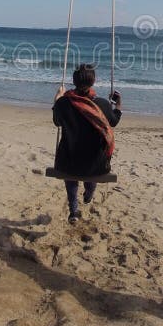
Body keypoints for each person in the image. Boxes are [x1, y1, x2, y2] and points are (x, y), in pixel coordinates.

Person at [52, 64, 122, 224]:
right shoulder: (102, 104)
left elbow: (57, 121)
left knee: (71, 173)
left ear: (73, 81)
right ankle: (89, 194)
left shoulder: (64, 103)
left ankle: (73, 211)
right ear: (93, 81)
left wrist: (57, 98)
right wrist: (118, 104)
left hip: (69, 162)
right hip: (95, 165)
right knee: (90, 171)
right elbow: (114, 121)